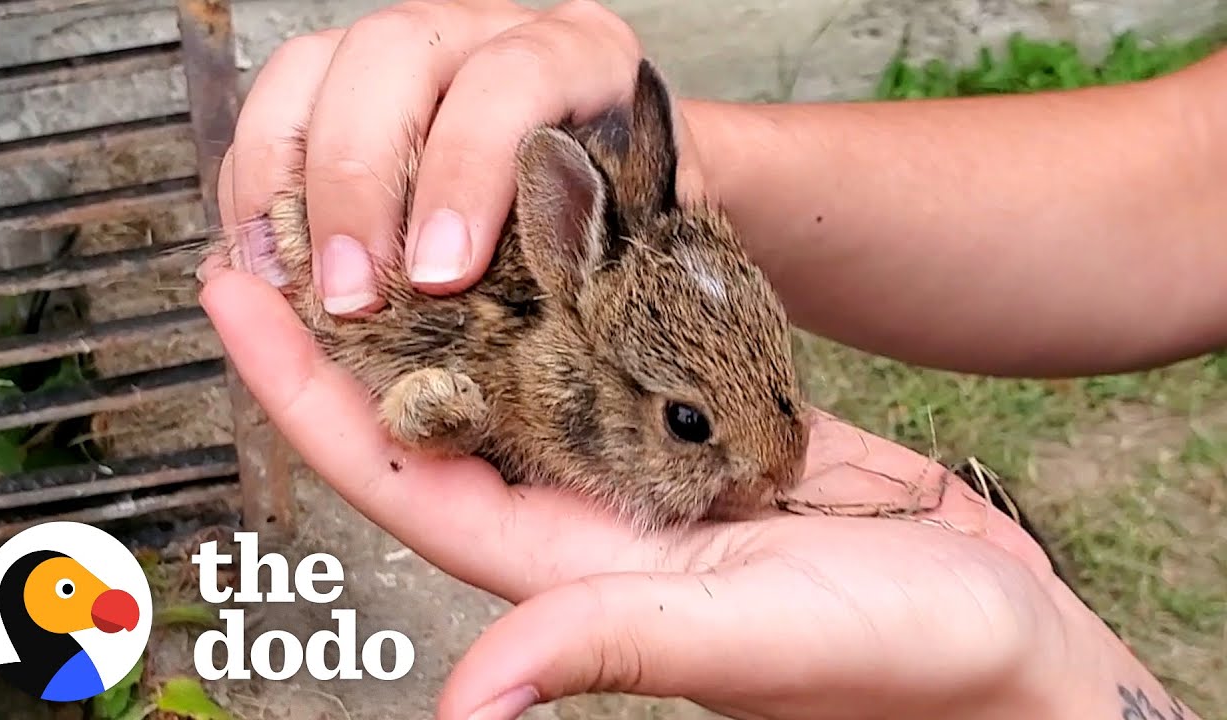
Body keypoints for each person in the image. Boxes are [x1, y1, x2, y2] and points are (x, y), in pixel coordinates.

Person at [196, 2, 1227, 718]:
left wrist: (1038, 678)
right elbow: (1191, 174)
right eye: (689, 425)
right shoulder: (548, 360)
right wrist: (695, 152)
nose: (774, 472)